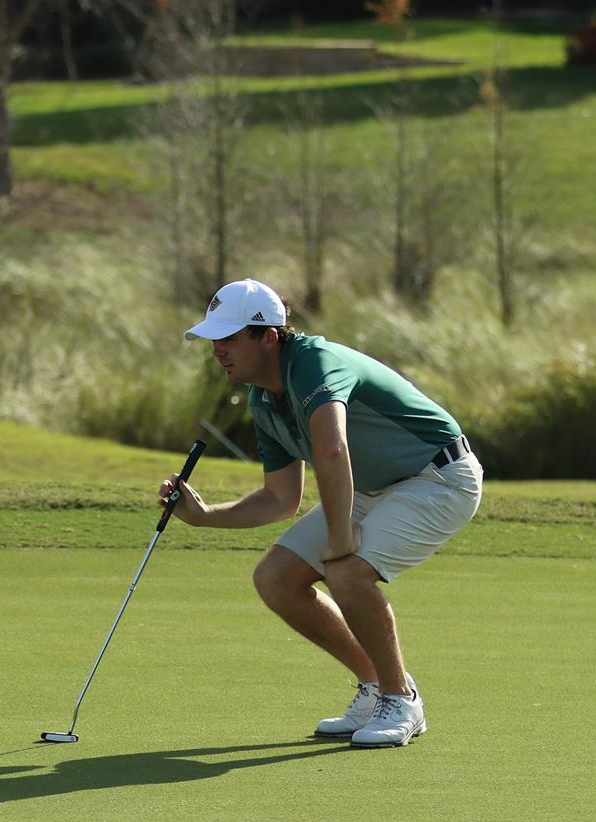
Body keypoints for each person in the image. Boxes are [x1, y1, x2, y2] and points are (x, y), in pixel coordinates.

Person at [159, 278, 482, 748]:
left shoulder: (313, 363)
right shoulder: (263, 399)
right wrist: (204, 515)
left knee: (346, 569)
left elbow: (332, 450)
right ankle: (376, 686)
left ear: (267, 335)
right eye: (215, 341)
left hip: (439, 478)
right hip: (375, 486)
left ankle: (402, 700)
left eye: (229, 339)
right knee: (276, 577)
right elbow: (281, 499)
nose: (218, 351)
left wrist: (341, 539)